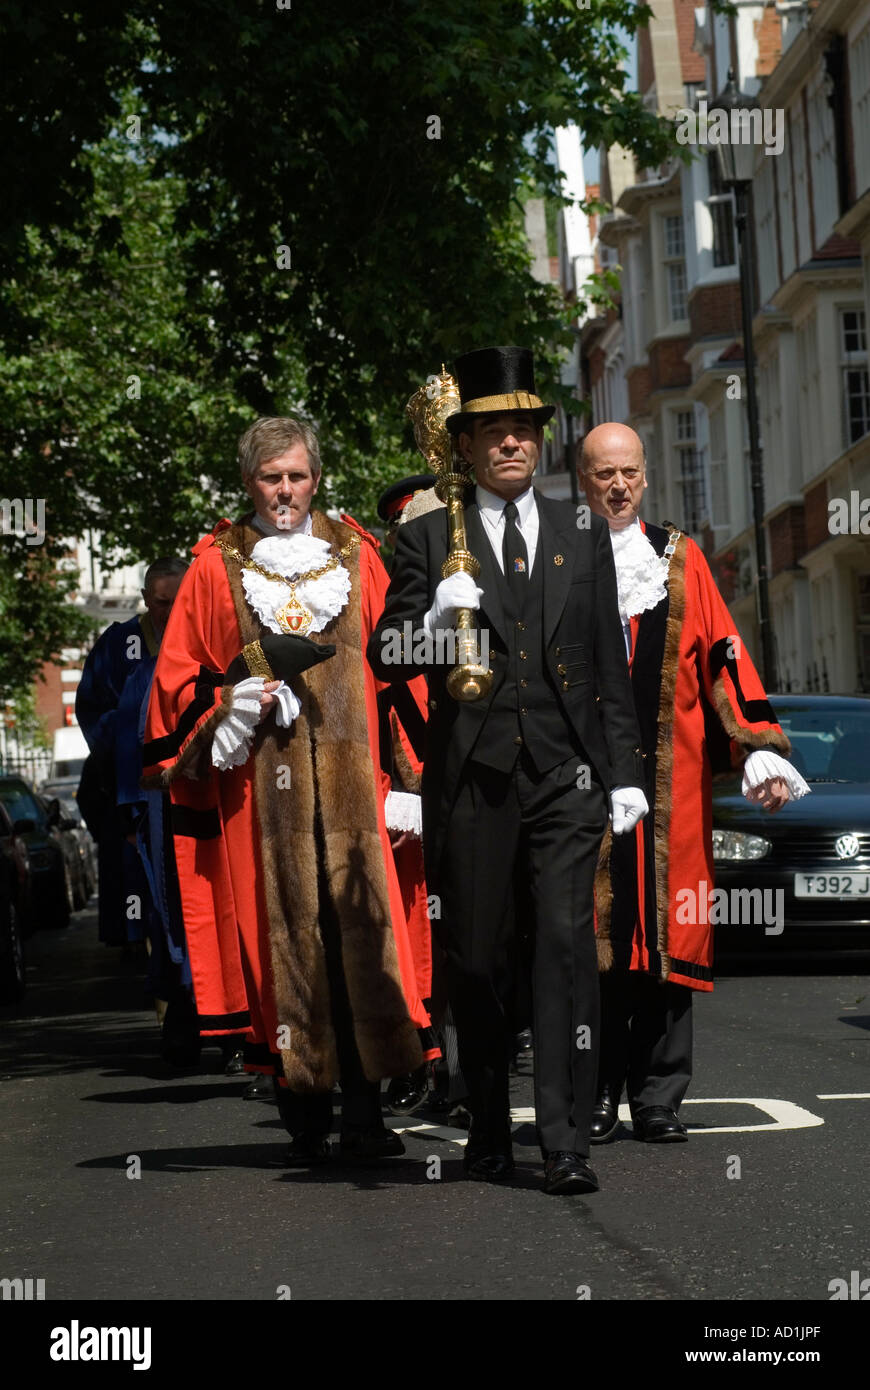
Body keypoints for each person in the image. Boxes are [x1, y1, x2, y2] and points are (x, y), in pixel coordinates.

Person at [368, 346, 648, 1194]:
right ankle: (488, 1126)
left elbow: (606, 666)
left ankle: (565, 1142)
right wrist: (433, 624)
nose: (513, 445)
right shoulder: (422, 538)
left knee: (565, 950)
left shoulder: (582, 534)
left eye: (525, 430)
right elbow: (386, 656)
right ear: (467, 446)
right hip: (475, 782)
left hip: (565, 780)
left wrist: (624, 772)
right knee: (480, 961)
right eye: (495, 432)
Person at [143, 416, 438, 1165]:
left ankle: (366, 1114)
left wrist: (416, 778)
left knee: (360, 942)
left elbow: (397, 675)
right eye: (271, 477)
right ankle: (304, 1110)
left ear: (316, 479)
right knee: (284, 949)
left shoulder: (361, 556)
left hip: (357, 793)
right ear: (250, 482)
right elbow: (179, 683)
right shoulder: (214, 568)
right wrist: (227, 707)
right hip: (258, 798)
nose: (285, 491)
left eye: (297, 476)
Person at [577, 423, 808, 1144]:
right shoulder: (559, 560)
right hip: (587, 785)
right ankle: (592, 1094)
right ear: (583, 482)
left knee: (672, 933)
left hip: (671, 785)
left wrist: (757, 750)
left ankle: (659, 1097)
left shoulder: (680, 559)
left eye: (630, 473)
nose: (618, 485)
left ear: (646, 478)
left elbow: (723, 657)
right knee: (593, 942)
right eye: (603, 473)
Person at [76, 558, 187, 949]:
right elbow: (92, 712)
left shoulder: (206, 637)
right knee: (144, 899)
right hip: (138, 790)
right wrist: (130, 726)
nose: (171, 612)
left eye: (179, 600)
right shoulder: (119, 645)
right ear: (144, 599)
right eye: (161, 603)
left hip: (192, 785)